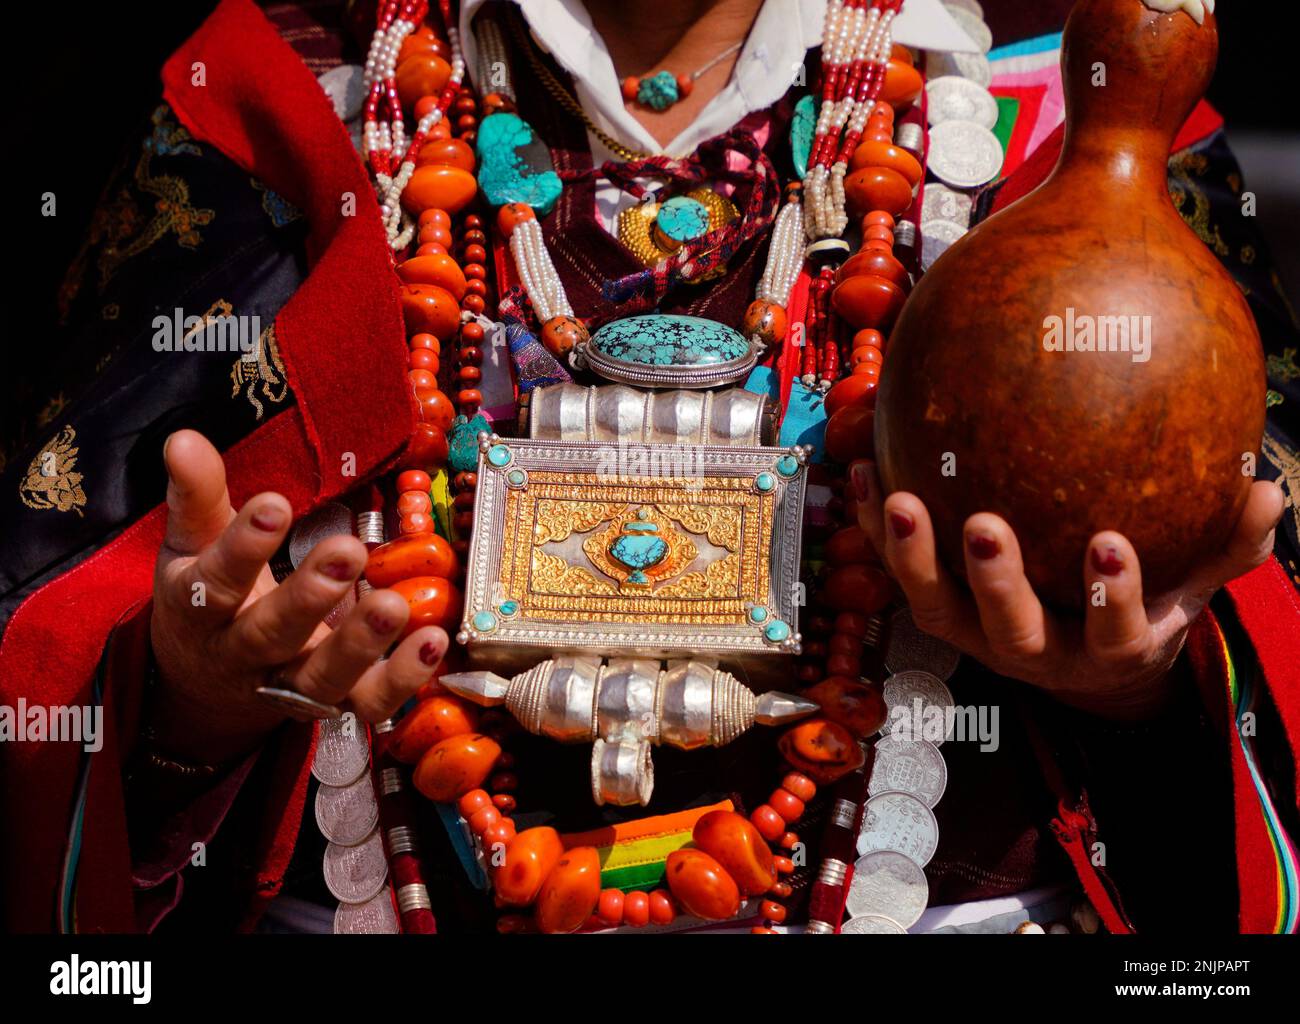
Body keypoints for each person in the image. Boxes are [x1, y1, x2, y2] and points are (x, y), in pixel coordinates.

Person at [2, 0, 1296, 934]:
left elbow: (1260, 602)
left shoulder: (1036, 109)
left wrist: (1138, 684)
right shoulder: (294, 93)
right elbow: (56, 610)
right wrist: (187, 709)